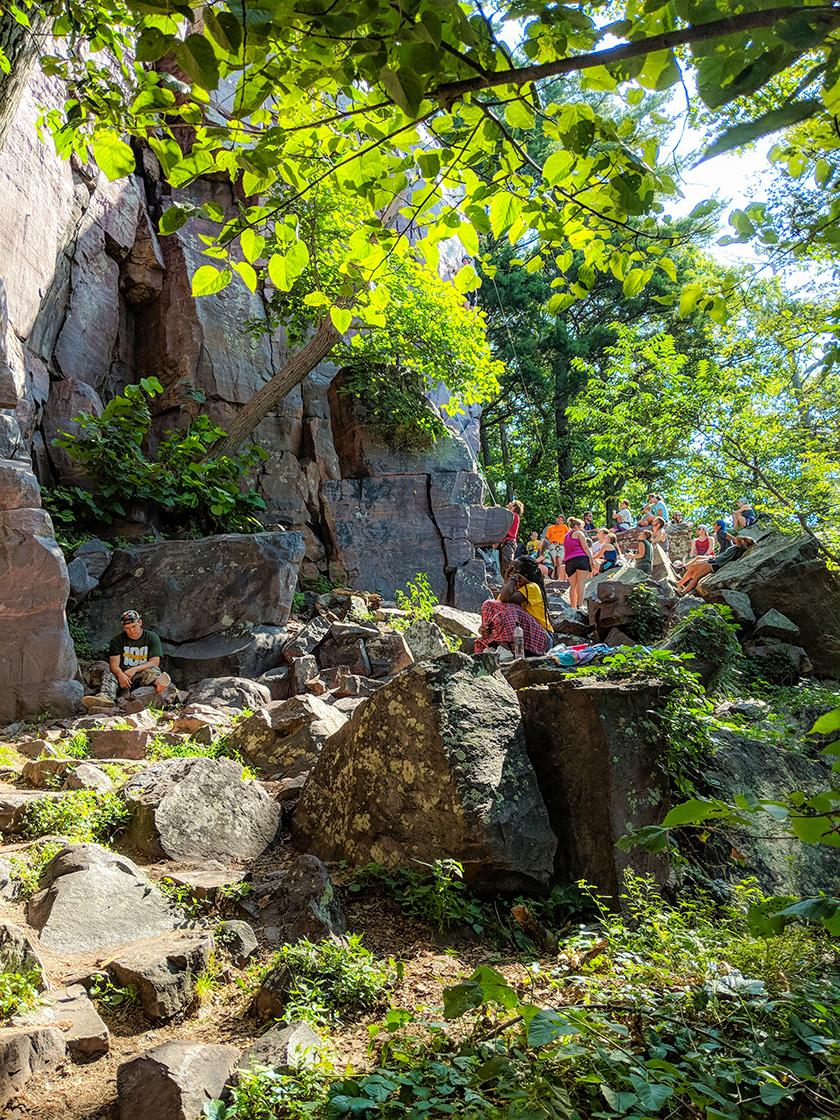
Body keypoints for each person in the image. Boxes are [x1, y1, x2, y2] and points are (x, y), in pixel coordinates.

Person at [84, 609, 171, 708]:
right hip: (123, 677)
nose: (132, 630)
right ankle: (105, 698)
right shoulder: (117, 641)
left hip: (141, 674)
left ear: (140, 622)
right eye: (127, 628)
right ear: (123, 628)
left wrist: (134, 669)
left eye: (134, 626)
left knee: (153, 670)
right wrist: (120, 674)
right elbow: (114, 666)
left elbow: (155, 662)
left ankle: (158, 683)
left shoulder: (151, 637)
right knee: (109, 674)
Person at [474, 556, 552, 660]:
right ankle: (493, 648)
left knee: (510, 606)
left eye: (513, 569)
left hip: (541, 638)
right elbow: (496, 612)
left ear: (524, 575)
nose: (508, 571)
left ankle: (505, 649)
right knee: (489, 604)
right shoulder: (508, 592)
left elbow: (506, 598)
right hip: (519, 639)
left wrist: (513, 578)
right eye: (509, 567)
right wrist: (483, 630)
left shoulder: (532, 587)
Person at [675, 535, 756, 595]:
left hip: (716, 564)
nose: (743, 541)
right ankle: (679, 584)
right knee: (693, 567)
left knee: (697, 576)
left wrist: (743, 538)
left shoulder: (742, 548)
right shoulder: (740, 547)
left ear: (746, 543)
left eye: (745, 541)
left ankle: (683, 592)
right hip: (715, 561)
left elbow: (737, 538)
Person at [563, 517, 593, 610]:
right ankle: (580, 604)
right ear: (576, 526)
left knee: (573, 585)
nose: (582, 529)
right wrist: (591, 558)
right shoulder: (579, 533)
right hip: (581, 558)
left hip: (569, 561)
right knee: (581, 583)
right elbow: (585, 547)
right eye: (581, 526)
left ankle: (573, 606)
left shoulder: (566, 536)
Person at [498, 500, 523, 573]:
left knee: (507, 564)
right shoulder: (512, 515)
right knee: (503, 565)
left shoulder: (513, 515)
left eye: (511, 504)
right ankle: (506, 581)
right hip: (505, 542)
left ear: (514, 507)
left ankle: (510, 581)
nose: (509, 504)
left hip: (508, 542)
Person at [541, 515, 568, 581]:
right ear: (556, 519)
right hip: (553, 544)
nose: (559, 520)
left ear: (563, 522)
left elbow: (567, 536)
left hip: (561, 545)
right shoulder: (551, 528)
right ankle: (552, 577)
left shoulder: (564, 527)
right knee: (554, 562)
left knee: (559, 562)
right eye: (559, 519)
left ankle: (559, 577)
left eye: (561, 520)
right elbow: (547, 538)